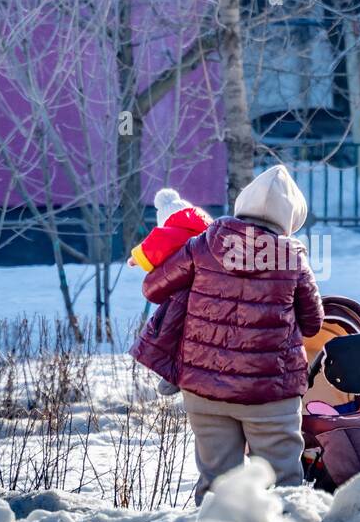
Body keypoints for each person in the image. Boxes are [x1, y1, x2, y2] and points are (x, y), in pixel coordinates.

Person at [136, 165, 323, 503]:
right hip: (270, 394)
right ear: (289, 219)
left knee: (217, 483)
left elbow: (153, 288)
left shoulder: (204, 244)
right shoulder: (293, 259)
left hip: (204, 388)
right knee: (281, 484)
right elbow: (312, 324)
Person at [128, 188, 213, 396]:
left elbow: (152, 248)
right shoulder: (209, 229)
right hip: (211, 288)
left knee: (170, 326)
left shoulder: (171, 231)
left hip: (185, 292)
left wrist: (135, 259)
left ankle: (172, 373)